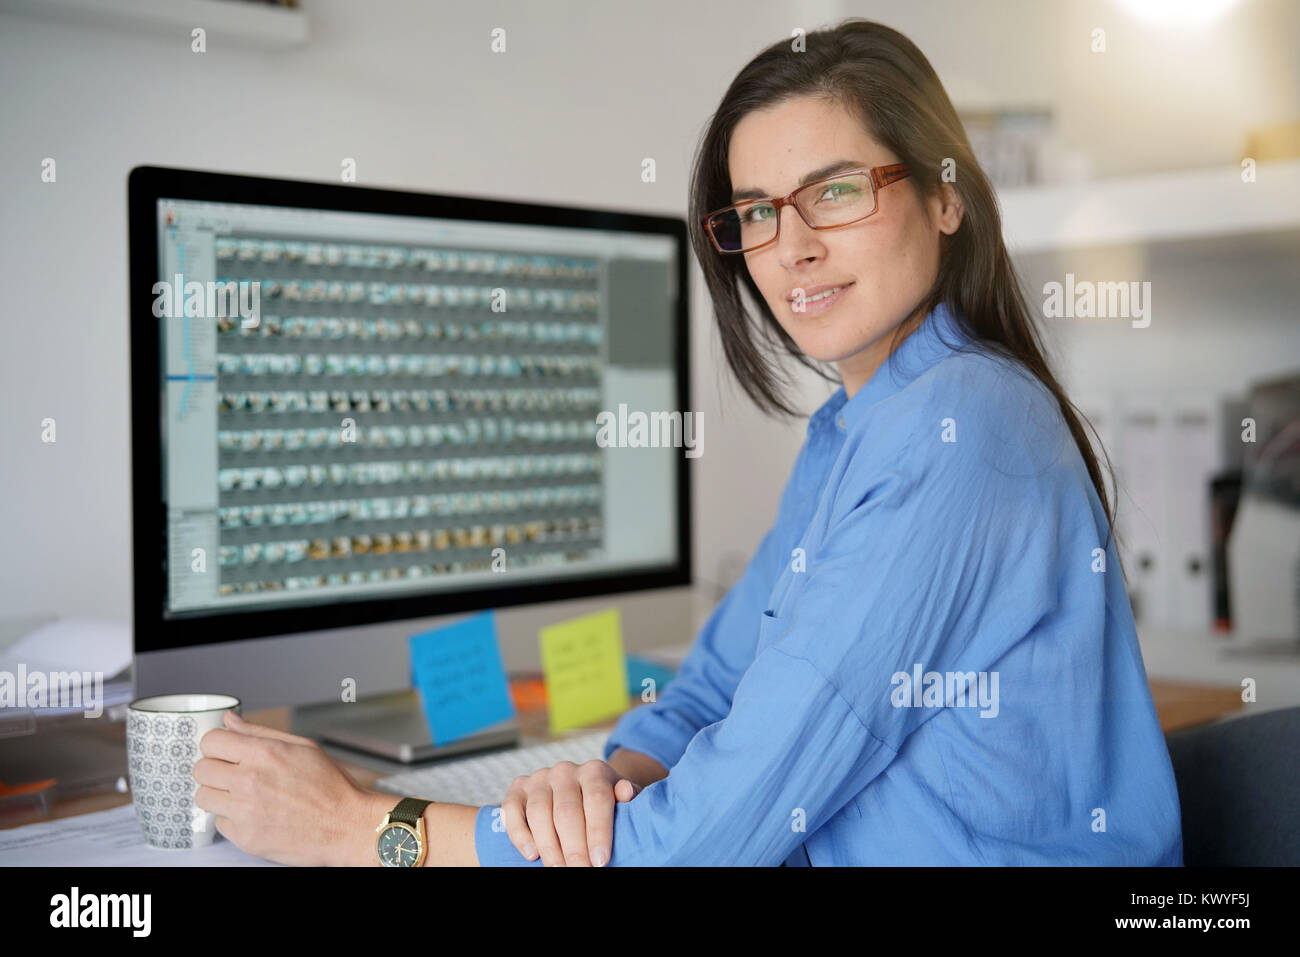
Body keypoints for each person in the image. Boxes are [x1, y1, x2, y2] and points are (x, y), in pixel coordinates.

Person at [194, 18, 1183, 867]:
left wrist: (364, 828)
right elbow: (715, 683)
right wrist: (602, 786)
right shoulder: (856, 423)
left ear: (944, 197)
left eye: (834, 192)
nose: (788, 248)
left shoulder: (965, 429)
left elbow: (712, 834)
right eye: (755, 212)